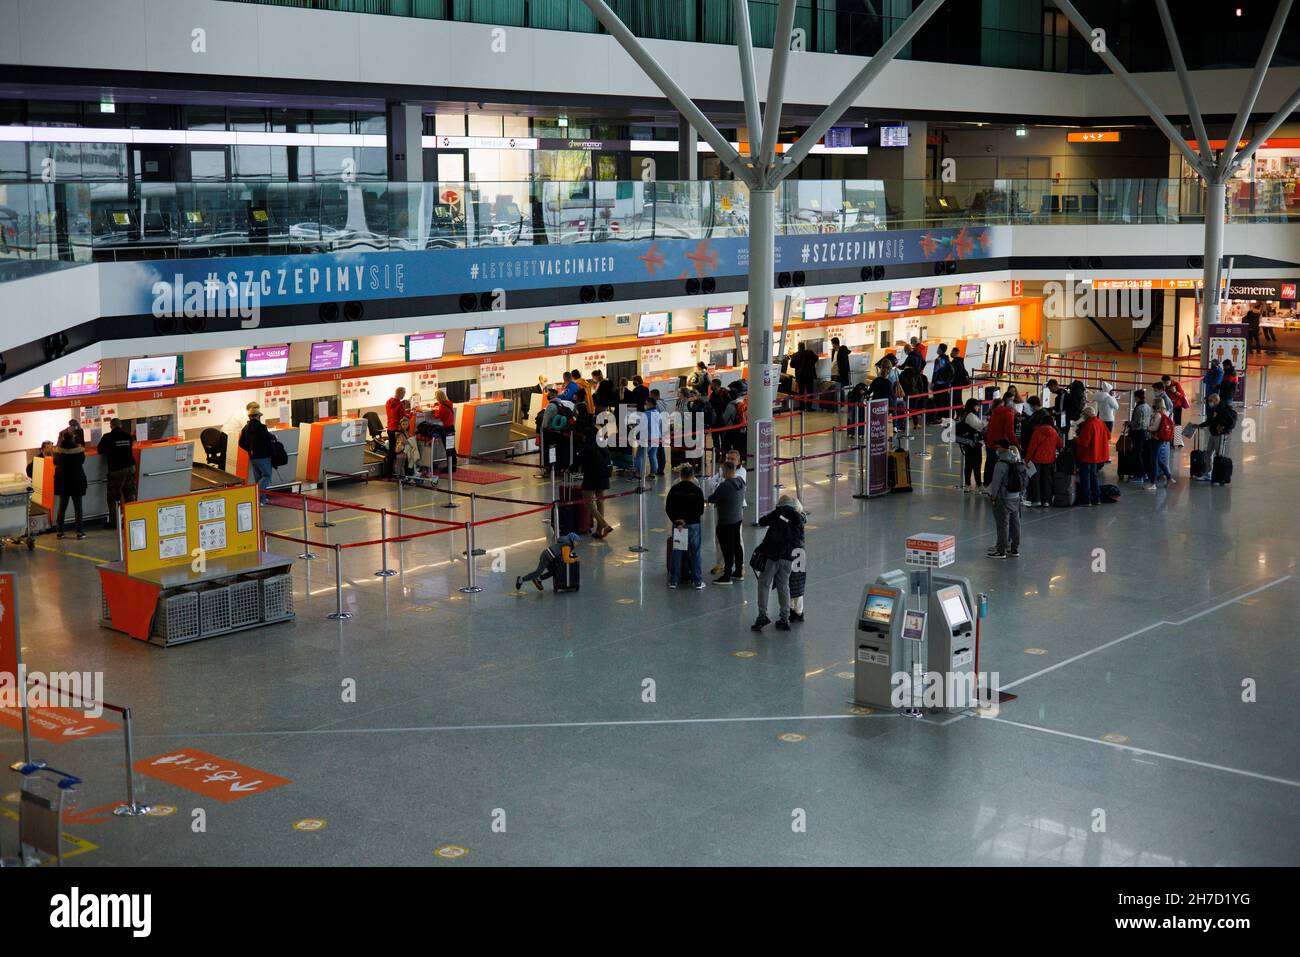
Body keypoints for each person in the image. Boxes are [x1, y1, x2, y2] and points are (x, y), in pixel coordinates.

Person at [751, 494, 804, 632]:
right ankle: (784, 618)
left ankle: (762, 616)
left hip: (773, 555)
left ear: (781, 504)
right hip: (788, 558)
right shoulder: (799, 518)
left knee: (764, 584)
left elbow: (762, 521)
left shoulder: (779, 512)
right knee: (783, 586)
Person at [665, 465, 705, 590]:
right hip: (693, 525)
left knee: (677, 552)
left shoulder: (674, 490)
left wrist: (678, 521)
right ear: (693, 476)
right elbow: (699, 510)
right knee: (695, 552)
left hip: (678, 526)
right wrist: (687, 520)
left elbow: (668, 508)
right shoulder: (697, 490)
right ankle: (697, 581)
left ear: (680, 476)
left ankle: (674, 581)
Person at [706, 460, 745, 583]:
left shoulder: (725, 486)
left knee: (727, 549)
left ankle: (727, 575)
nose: (721, 472)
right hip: (737, 518)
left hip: (726, 521)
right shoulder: (741, 482)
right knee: (737, 545)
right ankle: (739, 570)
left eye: (723, 470)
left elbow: (713, 498)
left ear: (727, 471)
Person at [986, 440, 1025, 559]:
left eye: (997, 447)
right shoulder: (1017, 461)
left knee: (1002, 525)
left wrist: (993, 497)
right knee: (1016, 524)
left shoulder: (1000, 464)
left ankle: (1001, 550)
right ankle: (1014, 549)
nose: (996, 450)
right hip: (1016, 497)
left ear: (1003, 448)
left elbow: (996, 483)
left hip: (1003, 498)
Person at [97, 417, 137, 528]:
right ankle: (131, 519)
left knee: (114, 497)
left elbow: (100, 450)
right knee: (130, 495)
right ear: (121, 425)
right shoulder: (128, 436)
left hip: (117, 470)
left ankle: (114, 523)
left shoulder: (107, 437)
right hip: (130, 467)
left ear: (111, 426)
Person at [1023, 398, 1061, 508]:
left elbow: (1032, 447)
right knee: (1047, 480)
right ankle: (1047, 501)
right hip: (1049, 459)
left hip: (1037, 459)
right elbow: (1060, 444)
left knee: (1035, 480)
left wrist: (1026, 459)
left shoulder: (1037, 431)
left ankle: (1037, 499)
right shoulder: (1054, 432)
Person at [52, 429, 88, 540]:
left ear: (63, 438)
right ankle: (79, 532)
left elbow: (54, 462)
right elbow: (82, 461)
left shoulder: (57, 451)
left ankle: (60, 531)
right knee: (78, 507)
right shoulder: (79, 450)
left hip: (63, 482)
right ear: (73, 438)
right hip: (76, 481)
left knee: (62, 507)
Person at [579, 428, 614, 539]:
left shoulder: (588, 446)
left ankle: (604, 525)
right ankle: (599, 530)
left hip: (592, 477)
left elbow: (582, 461)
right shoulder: (601, 443)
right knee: (600, 502)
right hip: (604, 476)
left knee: (587, 501)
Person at [238, 404, 276, 505]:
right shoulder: (261, 427)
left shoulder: (245, 428)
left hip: (253, 457)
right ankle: (256, 494)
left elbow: (241, 443)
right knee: (267, 476)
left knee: (258, 478)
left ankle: (262, 500)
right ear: (258, 416)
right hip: (263, 457)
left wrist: (250, 449)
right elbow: (267, 440)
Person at [516, 533, 580, 592]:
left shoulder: (565, 543)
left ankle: (538, 579)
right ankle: (521, 580)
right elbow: (566, 559)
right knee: (538, 572)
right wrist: (575, 560)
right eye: (576, 541)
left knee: (554, 571)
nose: (577, 543)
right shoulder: (567, 545)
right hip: (546, 557)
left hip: (548, 556)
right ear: (572, 540)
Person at [1196, 393, 1237, 482]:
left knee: (1219, 455)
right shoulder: (1214, 409)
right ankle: (1208, 474)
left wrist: (1224, 428)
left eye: (1211, 401)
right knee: (1208, 454)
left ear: (1216, 400)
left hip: (1220, 435)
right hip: (1213, 434)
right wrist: (1199, 425)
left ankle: (1219, 475)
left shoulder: (1225, 409)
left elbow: (1232, 423)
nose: (1210, 403)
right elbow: (1210, 421)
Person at [1074, 406, 1109, 506]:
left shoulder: (1089, 425)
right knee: (1094, 476)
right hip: (1096, 455)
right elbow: (1108, 436)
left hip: (1087, 454)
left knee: (1085, 477)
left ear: (1086, 415)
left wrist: (1076, 439)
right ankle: (1097, 498)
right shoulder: (1101, 422)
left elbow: (1084, 442)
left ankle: (1086, 500)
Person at [983, 396, 1018, 486]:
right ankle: (996, 487)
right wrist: (1016, 444)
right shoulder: (1008, 414)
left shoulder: (995, 412)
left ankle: (987, 484)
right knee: (999, 467)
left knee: (989, 464)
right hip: (1001, 444)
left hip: (990, 442)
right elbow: (1009, 431)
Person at [1128, 389, 1156, 489]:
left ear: (1137, 397)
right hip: (1145, 432)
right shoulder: (1147, 406)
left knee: (1137, 453)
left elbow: (1138, 422)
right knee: (1143, 453)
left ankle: (1140, 474)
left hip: (1138, 432)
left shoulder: (1139, 408)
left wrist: (1129, 423)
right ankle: (1144, 473)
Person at [956, 398, 986, 492]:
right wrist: (987, 421)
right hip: (973, 443)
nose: (978, 407)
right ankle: (978, 485)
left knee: (968, 464)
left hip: (968, 443)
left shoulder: (964, 414)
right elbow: (980, 426)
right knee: (976, 464)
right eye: (977, 405)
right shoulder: (971, 416)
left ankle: (968, 484)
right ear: (973, 406)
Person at [384, 386, 407, 478]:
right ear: (400, 393)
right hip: (397, 430)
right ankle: (399, 471)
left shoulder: (388, 402)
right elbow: (403, 417)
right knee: (400, 450)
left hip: (390, 428)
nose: (404, 395)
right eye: (404, 393)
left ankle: (389, 472)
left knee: (391, 451)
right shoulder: (400, 405)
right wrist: (410, 413)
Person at [1151, 402, 1175, 486]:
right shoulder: (1166, 413)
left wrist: (1147, 428)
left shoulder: (1158, 415)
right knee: (1158, 460)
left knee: (1154, 460)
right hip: (1163, 439)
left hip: (1157, 439)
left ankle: (1153, 483)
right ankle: (1169, 477)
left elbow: (1155, 428)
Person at [929, 343, 953, 425]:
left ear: (941, 350)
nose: (937, 349)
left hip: (939, 384)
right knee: (945, 401)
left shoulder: (939, 360)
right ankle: (947, 418)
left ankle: (939, 418)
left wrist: (933, 383)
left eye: (938, 348)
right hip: (946, 383)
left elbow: (936, 372)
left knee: (938, 401)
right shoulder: (946, 359)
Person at [790, 342, 818, 410]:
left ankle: (802, 407)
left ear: (798, 347)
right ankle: (809, 407)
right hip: (809, 376)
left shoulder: (795, 355)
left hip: (800, 377)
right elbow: (816, 358)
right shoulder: (810, 353)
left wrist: (798, 366)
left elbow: (791, 365)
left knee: (801, 392)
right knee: (810, 392)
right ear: (804, 346)